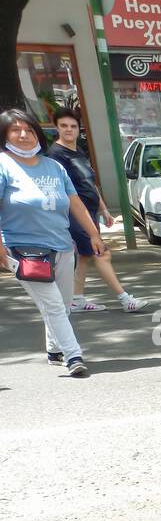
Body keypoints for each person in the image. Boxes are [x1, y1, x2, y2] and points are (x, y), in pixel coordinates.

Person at [0, 107, 105, 377]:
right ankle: (74, 356)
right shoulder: (4, 166)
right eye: (15, 130)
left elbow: (76, 205)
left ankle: (54, 349)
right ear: (5, 135)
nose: (23, 135)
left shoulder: (54, 167)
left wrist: (94, 234)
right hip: (26, 251)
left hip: (62, 247)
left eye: (29, 130)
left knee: (63, 304)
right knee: (54, 305)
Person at [45, 108, 144, 312]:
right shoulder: (55, 155)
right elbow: (62, 190)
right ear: (56, 128)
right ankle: (125, 299)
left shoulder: (78, 151)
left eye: (73, 126)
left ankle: (76, 300)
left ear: (79, 128)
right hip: (74, 214)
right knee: (101, 253)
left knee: (85, 255)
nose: (69, 130)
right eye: (64, 126)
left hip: (91, 211)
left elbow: (89, 183)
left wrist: (104, 209)